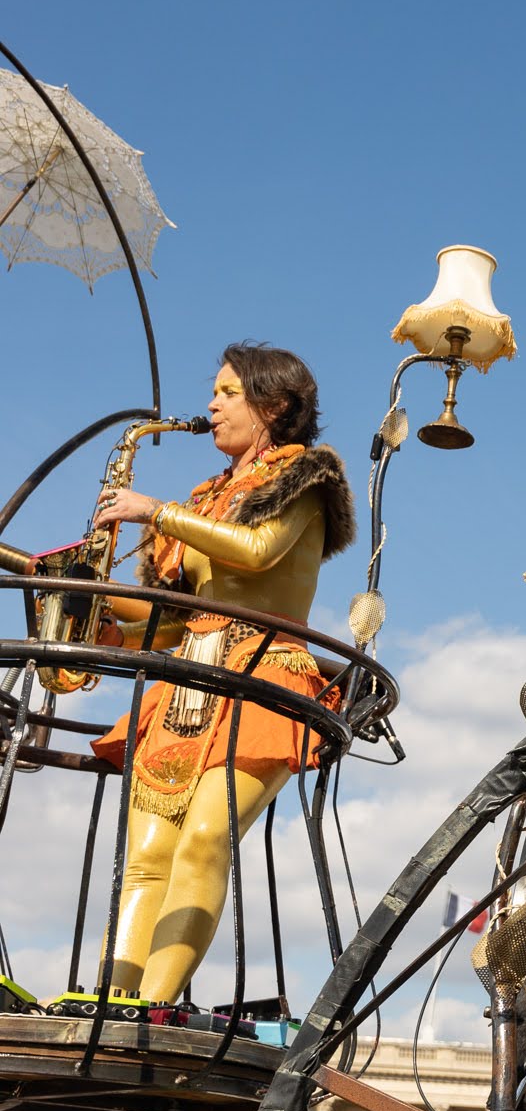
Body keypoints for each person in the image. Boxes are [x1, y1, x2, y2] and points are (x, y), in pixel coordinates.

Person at [89, 343, 353, 1004]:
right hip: (188, 684)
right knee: (146, 856)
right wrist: (110, 625)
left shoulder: (305, 479)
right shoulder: (204, 498)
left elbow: (257, 552)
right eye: (215, 391)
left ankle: (153, 1008)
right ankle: (110, 1003)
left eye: (229, 392)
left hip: (265, 676)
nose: (211, 404)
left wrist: (154, 512)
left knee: (205, 839)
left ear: (276, 404)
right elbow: (178, 620)